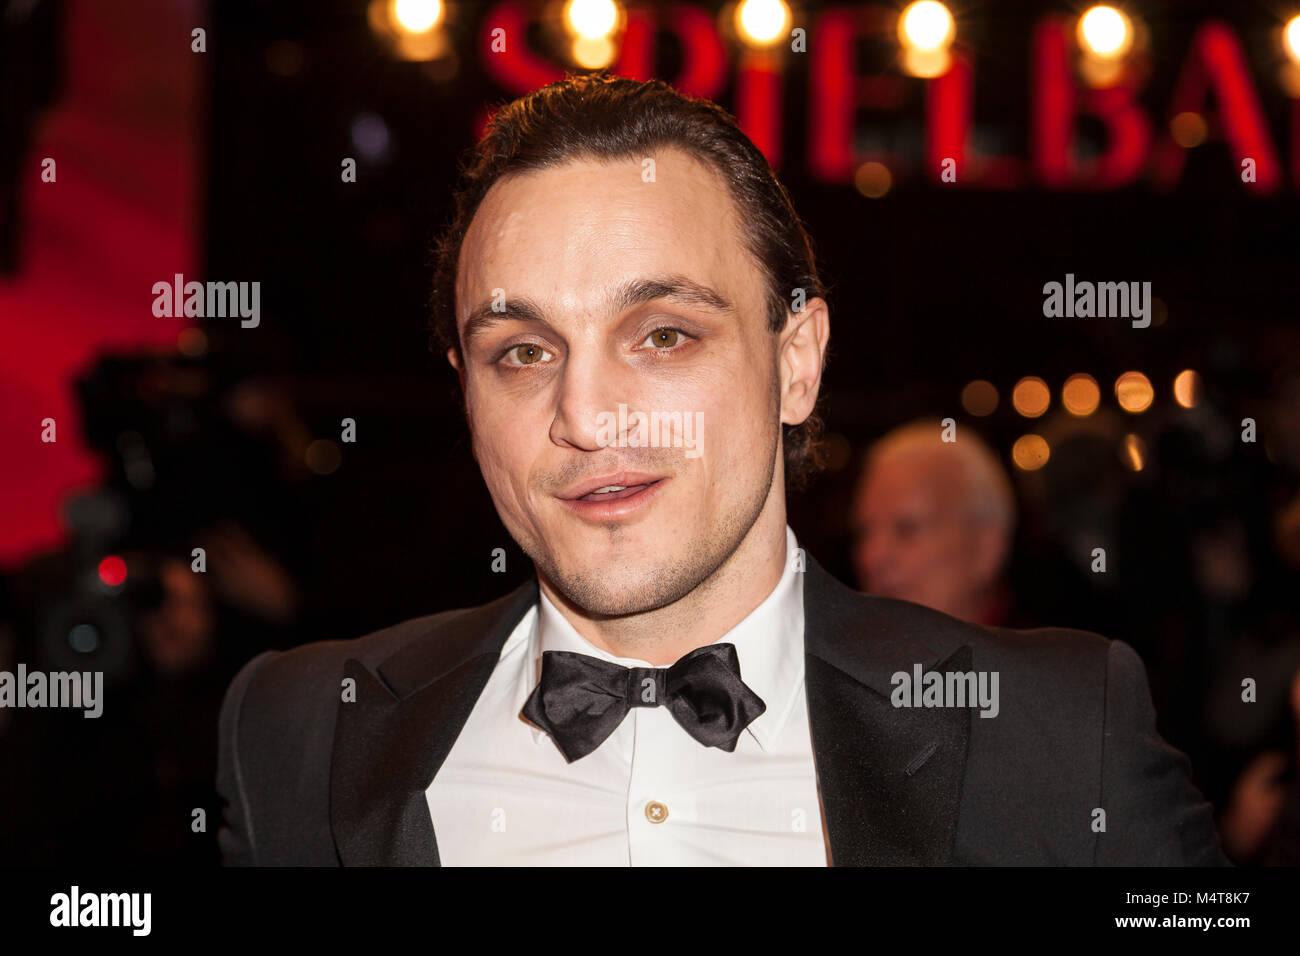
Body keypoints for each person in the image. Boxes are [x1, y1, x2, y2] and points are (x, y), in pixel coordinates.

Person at [215, 72, 1224, 866]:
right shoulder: (300, 737)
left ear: (795, 362)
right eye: (522, 351)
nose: (584, 415)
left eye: (661, 334)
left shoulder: (1056, 738)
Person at [851, 421, 1020, 626]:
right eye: (863, 534)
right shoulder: (837, 651)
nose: (872, 556)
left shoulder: (1047, 655)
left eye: (906, 529)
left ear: (987, 548)